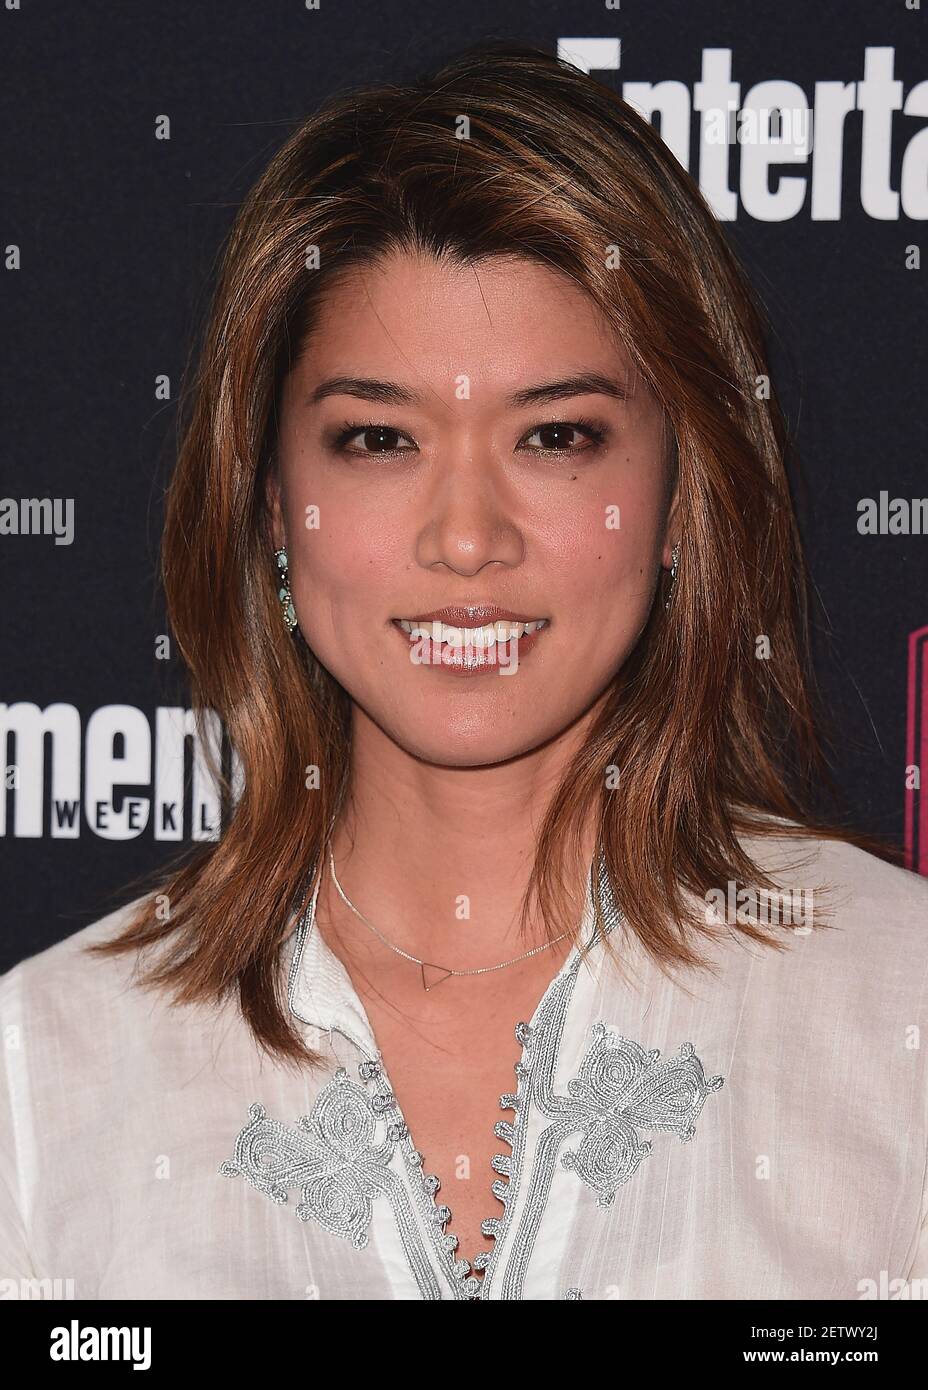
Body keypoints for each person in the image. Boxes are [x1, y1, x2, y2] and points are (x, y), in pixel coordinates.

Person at [2, 41, 926, 1302]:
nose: (466, 536)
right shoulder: (43, 1084)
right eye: (378, 439)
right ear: (275, 503)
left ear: (676, 496)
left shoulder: (896, 1013)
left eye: (555, 436)